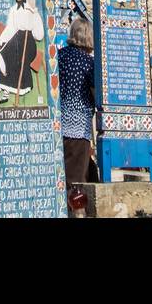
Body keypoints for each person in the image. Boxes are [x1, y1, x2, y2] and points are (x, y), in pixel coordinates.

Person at [57, 17, 96, 185]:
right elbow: (94, 92)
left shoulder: (59, 56)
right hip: (79, 126)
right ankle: (76, 210)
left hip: (58, 121)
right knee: (76, 179)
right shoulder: (88, 62)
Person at [0, 0, 44, 102]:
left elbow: (39, 35)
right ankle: (0, 88)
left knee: (10, 55)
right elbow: (10, 28)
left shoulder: (32, 10)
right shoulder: (14, 9)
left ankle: (6, 92)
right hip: (16, 39)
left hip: (28, 43)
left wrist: (34, 14)